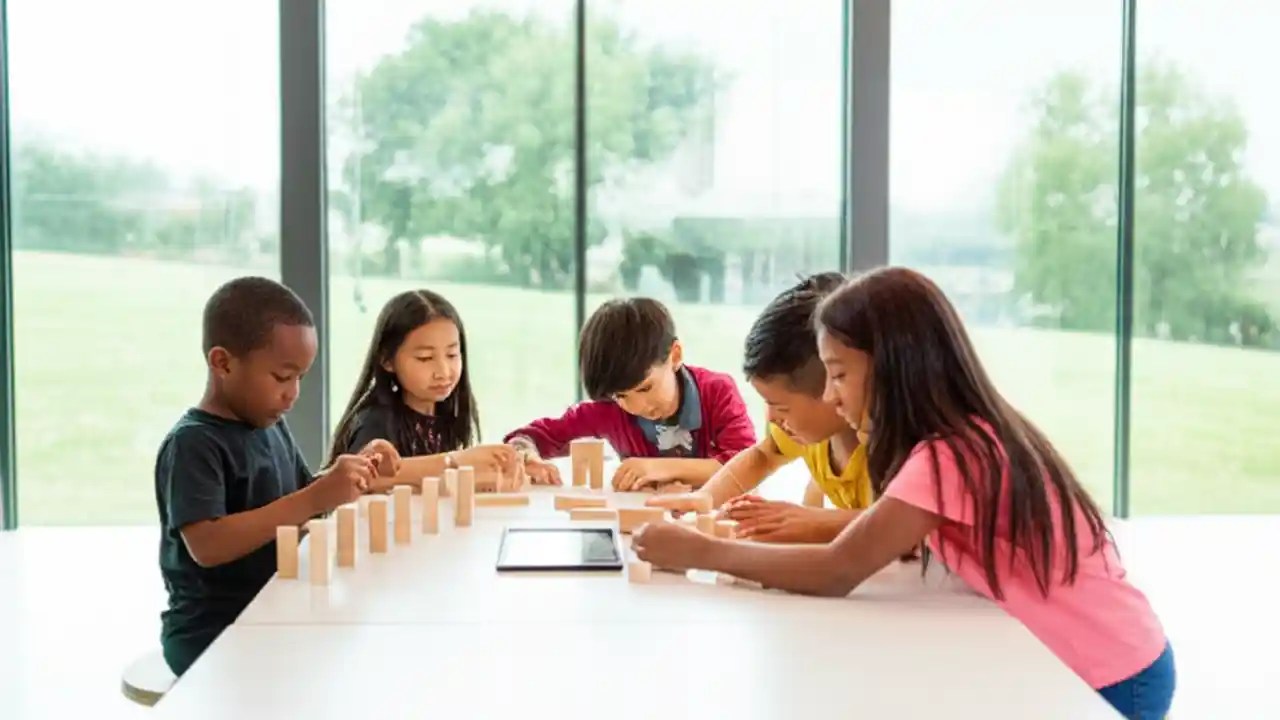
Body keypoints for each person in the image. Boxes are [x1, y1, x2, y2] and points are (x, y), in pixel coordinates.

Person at [632, 267, 1175, 719]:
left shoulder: (948, 456)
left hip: (1108, 675)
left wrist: (698, 551)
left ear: (893, 368)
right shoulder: (964, 436)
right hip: (1107, 655)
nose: (828, 394)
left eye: (838, 375)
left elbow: (838, 570)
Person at [155, 277, 400, 676]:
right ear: (223, 362)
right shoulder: (193, 444)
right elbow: (207, 544)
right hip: (211, 634)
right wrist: (317, 496)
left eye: (300, 378)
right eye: (282, 377)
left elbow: (304, 498)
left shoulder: (269, 425)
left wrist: (355, 470)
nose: (293, 394)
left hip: (274, 605)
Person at [648, 272, 875, 542]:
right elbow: (764, 456)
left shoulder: (887, 450)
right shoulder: (810, 433)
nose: (771, 418)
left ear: (834, 384)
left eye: (781, 407)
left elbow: (892, 525)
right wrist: (705, 497)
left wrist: (806, 520)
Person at [505, 297, 757, 490]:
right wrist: (527, 456)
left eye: (645, 388)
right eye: (620, 396)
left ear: (675, 355)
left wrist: (658, 468)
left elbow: (749, 466)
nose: (637, 406)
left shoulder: (717, 392)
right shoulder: (607, 409)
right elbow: (527, 437)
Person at [329, 289, 528, 491]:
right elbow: (361, 478)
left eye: (451, 355)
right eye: (425, 358)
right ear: (387, 360)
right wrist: (455, 462)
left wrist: (514, 465)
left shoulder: (448, 415)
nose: (443, 372)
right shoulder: (375, 421)